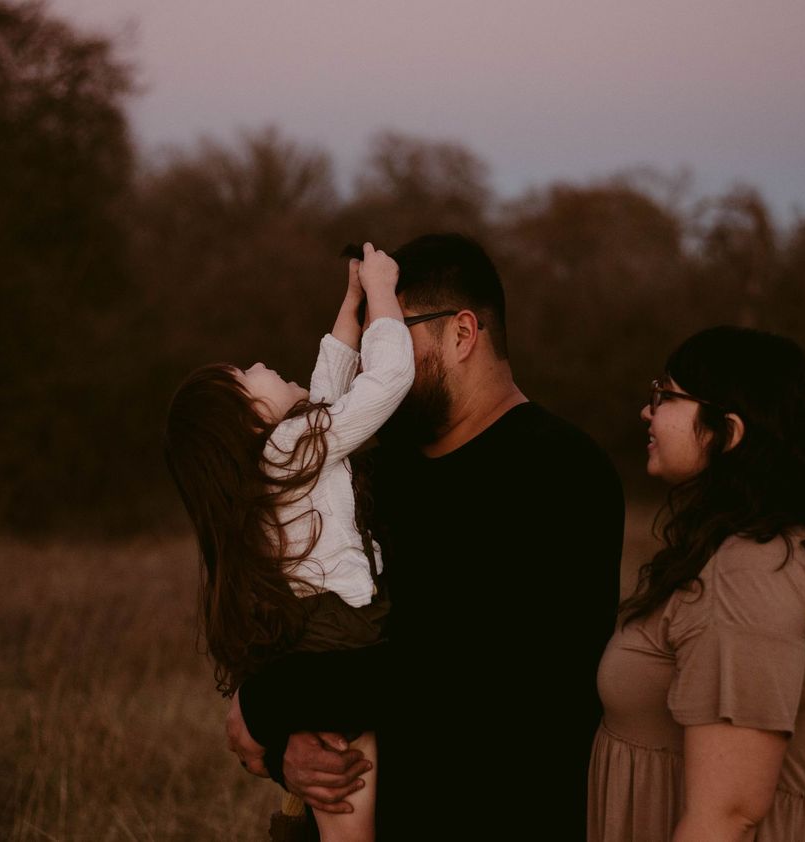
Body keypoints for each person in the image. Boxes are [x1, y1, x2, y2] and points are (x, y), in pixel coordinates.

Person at [226, 233, 625, 840]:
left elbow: (455, 667)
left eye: (395, 326)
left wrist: (267, 704)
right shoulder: (372, 472)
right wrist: (292, 750)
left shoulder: (561, 472)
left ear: (462, 334)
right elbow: (320, 631)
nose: (370, 359)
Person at [588, 326, 805, 841]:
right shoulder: (746, 549)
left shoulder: (749, 573)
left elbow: (727, 815)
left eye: (666, 395)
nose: (648, 410)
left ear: (728, 432)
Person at [164, 244, 411, 842]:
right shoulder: (289, 447)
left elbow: (329, 392)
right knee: (352, 789)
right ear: (251, 421)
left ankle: (296, 827)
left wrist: (348, 306)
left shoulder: (282, 458)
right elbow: (387, 381)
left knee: (341, 794)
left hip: (311, 633)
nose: (259, 365)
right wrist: (381, 292)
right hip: (343, 633)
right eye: (247, 377)